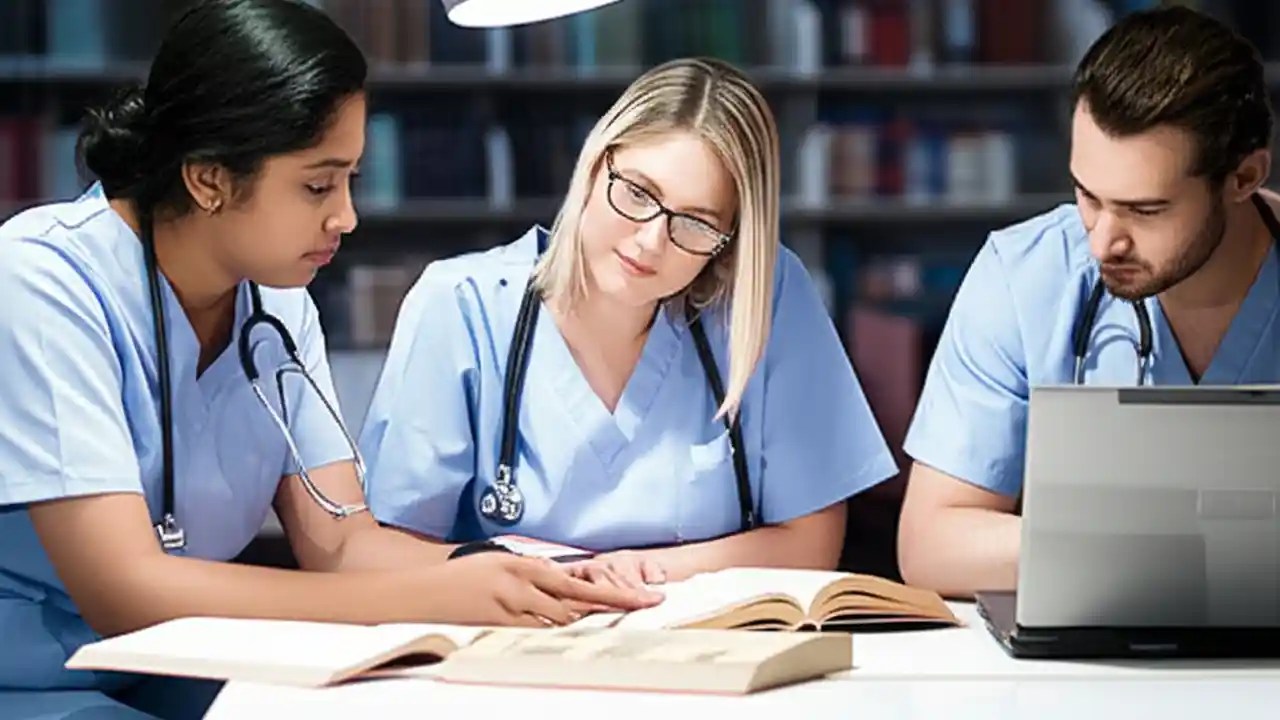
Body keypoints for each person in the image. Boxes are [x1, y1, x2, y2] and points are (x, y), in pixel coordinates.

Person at [0, 2, 658, 717]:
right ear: (208, 178)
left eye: (349, 180)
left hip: (180, 666)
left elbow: (342, 542)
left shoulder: (276, 305)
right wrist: (432, 594)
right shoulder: (43, 282)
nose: (346, 216)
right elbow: (125, 590)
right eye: (318, 185)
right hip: (41, 680)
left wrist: (523, 573)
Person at [358, 57, 898, 587]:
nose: (650, 241)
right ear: (596, 165)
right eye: (638, 193)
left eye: (695, 223)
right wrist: (552, 582)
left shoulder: (763, 292)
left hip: (704, 649)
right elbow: (391, 551)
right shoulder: (462, 305)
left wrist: (646, 573)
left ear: (729, 243)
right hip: (511, 642)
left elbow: (809, 542)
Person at [897, 5, 1278, 598]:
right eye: (1088, 196)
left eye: (1145, 210)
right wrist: (1172, 548)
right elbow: (931, 545)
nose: (1102, 241)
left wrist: (1087, 544)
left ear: (1244, 177)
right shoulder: (1025, 277)